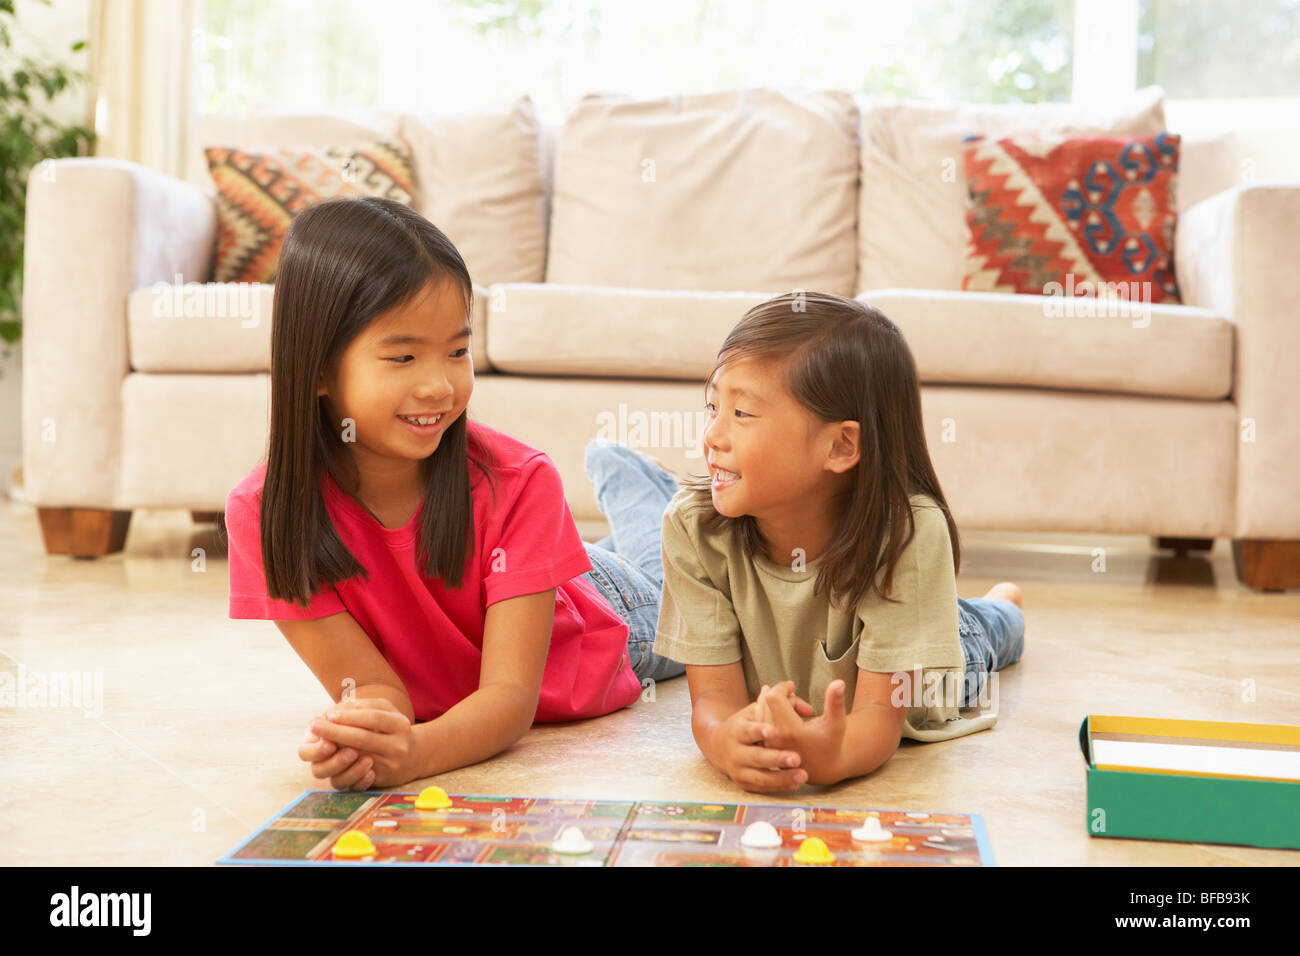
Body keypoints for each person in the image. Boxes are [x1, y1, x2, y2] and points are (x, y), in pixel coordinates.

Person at [224, 196, 682, 791]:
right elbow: (377, 689)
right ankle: (625, 492)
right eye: (403, 356)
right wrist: (373, 736)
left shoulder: (520, 480)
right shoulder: (263, 514)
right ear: (315, 368)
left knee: (675, 578)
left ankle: (645, 493)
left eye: (458, 351)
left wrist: (416, 754)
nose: (440, 385)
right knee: (606, 552)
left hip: (605, 619)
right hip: (529, 570)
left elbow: (509, 698)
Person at [651, 291, 1026, 793]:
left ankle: (1002, 604)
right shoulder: (693, 528)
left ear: (841, 446)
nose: (712, 437)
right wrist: (724, 742)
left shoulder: (909, 535)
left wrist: (835, 759)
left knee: (981, 633)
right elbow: (712, 700)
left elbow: (877, 720)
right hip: (892, 624)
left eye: (742, 414)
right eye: (713, 406)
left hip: (930, 658)